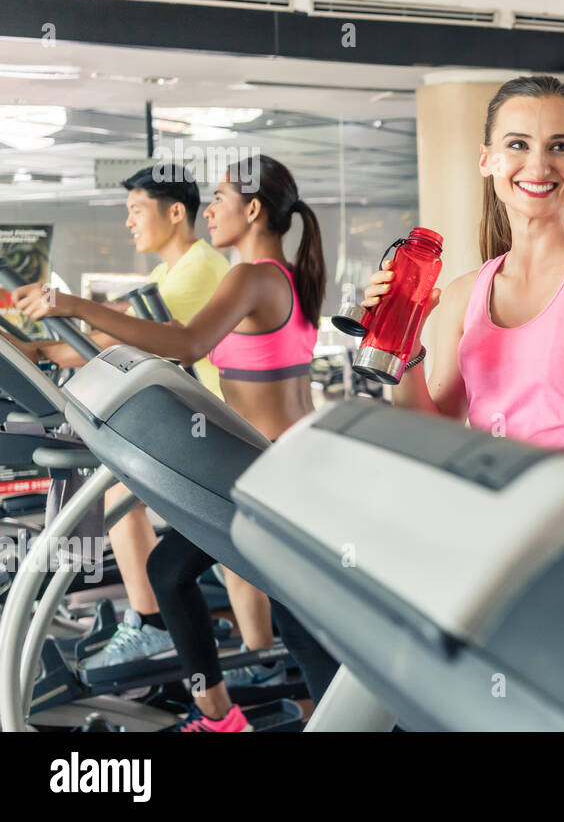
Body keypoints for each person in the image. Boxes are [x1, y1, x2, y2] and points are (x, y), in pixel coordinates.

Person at [17, 154, 338, 731]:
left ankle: (246, 715)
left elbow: (185, 342)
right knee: (179, 572)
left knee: (293, 624)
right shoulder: (281, 276)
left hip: (272, 477)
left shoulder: (251, 276)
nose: (209, 211)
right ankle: (223, 713)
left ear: (254, 209)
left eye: (218, 199)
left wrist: (70, 304)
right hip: (275, 471)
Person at [363, 75, 564, 516]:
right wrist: (404, 341)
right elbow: (436, 431)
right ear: (487, 160)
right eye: (517, 145)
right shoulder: (464, 295)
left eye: (559, 146)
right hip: (483, 532)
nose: (538, 167)